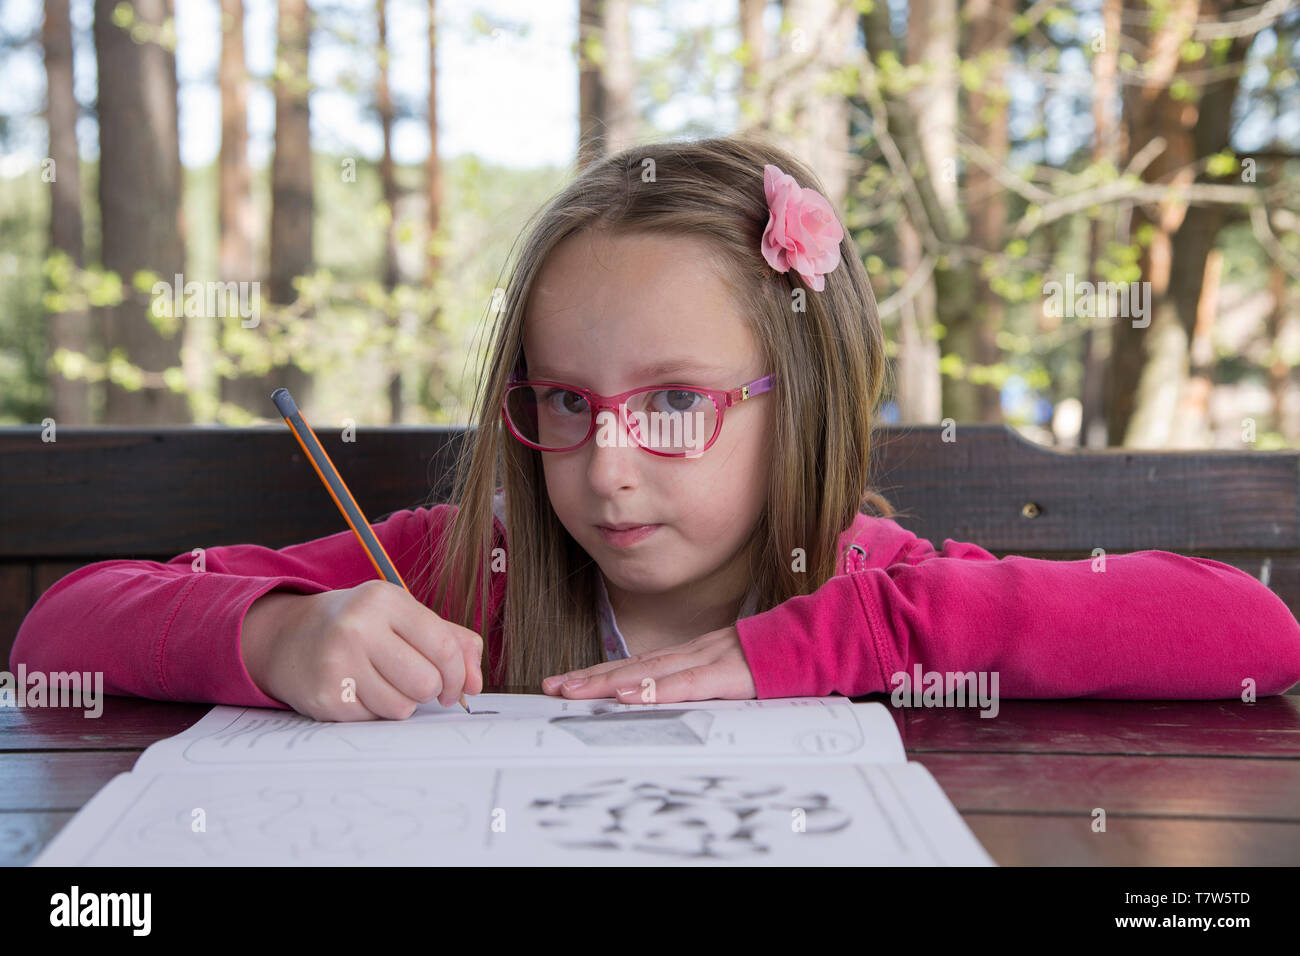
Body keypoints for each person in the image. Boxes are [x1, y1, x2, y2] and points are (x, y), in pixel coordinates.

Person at [12, 136, 1300, 721]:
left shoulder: (878, 590)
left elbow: (1252, 629)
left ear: (801, 395)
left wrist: (843, 640)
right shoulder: (458, 569)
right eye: (565, 401)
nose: (602, 468)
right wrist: (280, 633)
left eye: (676, 401)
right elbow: (54, 629)